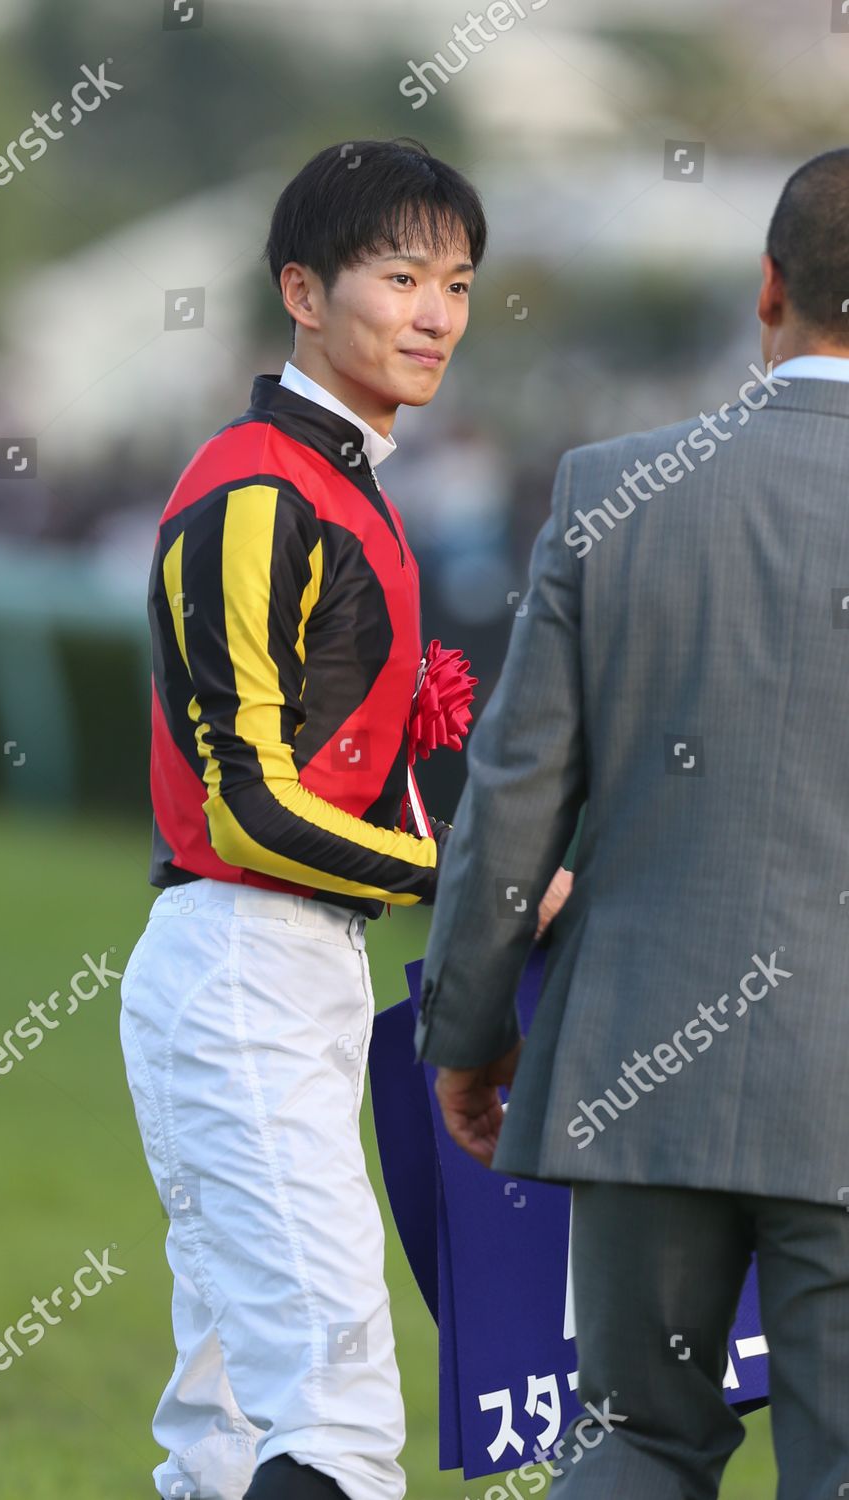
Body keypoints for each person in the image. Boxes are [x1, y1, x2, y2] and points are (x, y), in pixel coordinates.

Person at [414, 146, 849, 1498]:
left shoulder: (614, 490)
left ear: (768, 285)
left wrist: (471, 1036)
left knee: (637, 1444)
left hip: (640, 1062)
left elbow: (513, 799)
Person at [118, 137, 486, 1500]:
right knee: (334, 1424)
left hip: (290, 968)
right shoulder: (259, 486)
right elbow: (253, 807)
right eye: (401, 276)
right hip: (242, 959)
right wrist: (472, 879)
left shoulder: (350, 484)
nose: (437, 313)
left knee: (223, 1442)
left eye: (455, 281)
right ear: (304, 290)